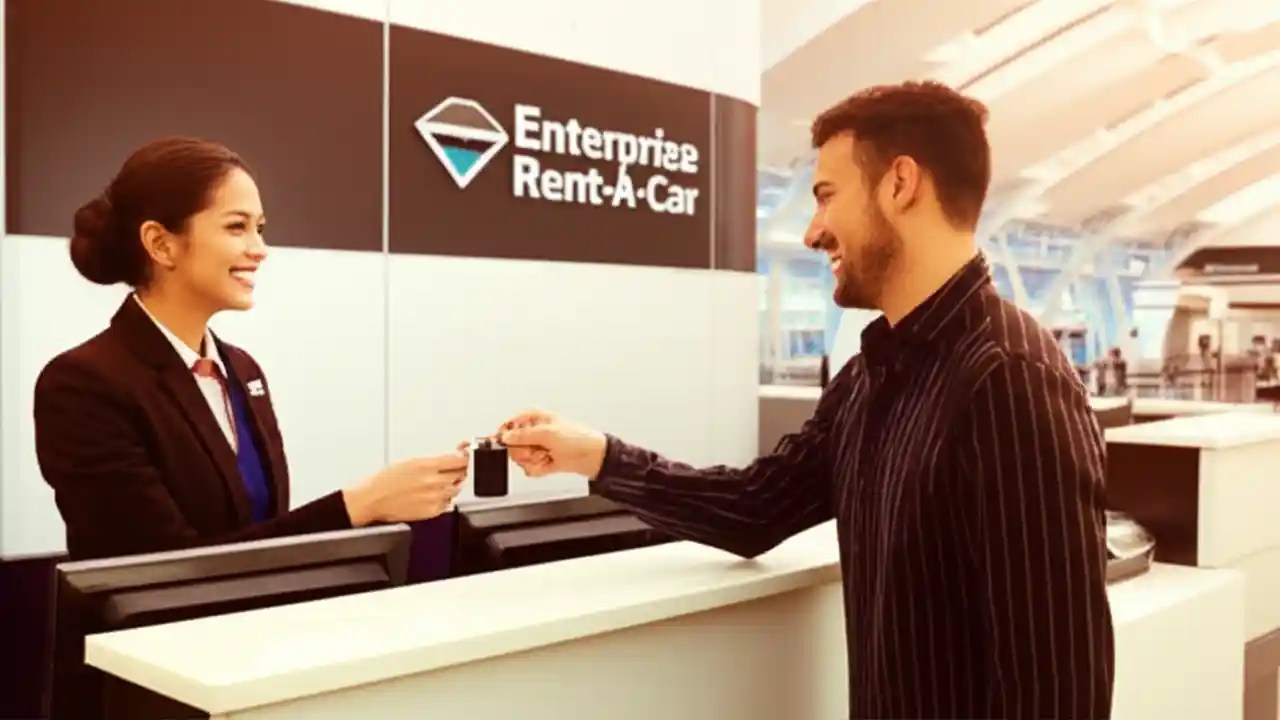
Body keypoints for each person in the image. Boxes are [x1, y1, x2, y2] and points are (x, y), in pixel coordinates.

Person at [495, 82, 1115, 719]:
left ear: (901, 183)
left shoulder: (1009, 381)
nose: (814, 231)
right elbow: (756, 506)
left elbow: (1058, 690)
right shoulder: (873, 375)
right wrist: (596, 456)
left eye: (826, 196)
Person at [33, 137, 469, 563]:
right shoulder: (83, 384)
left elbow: (260, 540)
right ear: (161, 244)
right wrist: (359, 506)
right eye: (236, 227)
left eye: (259, 228)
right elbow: (158, 571)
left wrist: (376, 507)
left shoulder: (241, 370)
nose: (259, 250)